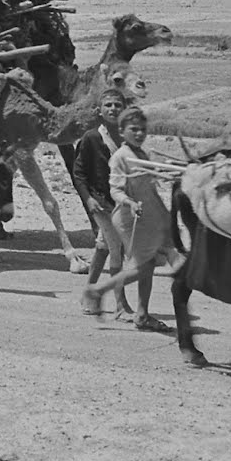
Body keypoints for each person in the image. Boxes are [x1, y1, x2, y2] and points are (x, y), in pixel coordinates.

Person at [80, 105, 185, 331]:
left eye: (142, 130)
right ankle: (98, 290)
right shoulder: (120, 157)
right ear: (122, 130)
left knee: (146, 266)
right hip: (129, 218)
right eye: (134, 129)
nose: (139, 134)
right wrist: (130, 202)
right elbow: (116, 190)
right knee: (144, 266)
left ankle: (142, 314)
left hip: (148, 217)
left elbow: (149, 184)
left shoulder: (141, 154)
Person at [75, 88, 135, 320]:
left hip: (120, 203)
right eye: (108, 105)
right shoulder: (91, 138)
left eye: (117, 105)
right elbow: (79, 173)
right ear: (99, 111)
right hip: (101, 204)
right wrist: (88, 199)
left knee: (102, 248)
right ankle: (120, 304)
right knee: (116, 252)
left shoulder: (127, 139)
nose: (112, 109)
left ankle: (88, 294)